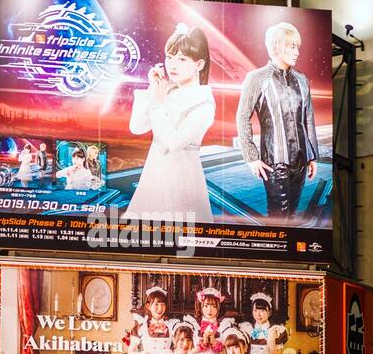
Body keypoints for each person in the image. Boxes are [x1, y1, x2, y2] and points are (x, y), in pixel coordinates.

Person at [124, 24, 216, 222]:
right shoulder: (168, 92)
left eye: (182, 59)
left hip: (181, 178)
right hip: (154, 174)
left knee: (183, 242)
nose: (172, 65)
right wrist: (152, 89)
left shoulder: (204, 103)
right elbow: (137, 127)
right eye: (169, 57)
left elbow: (173, 142)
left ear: (199, 64)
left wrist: (157, 103)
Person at [236, 20, 319, 218]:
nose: (297, 52)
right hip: (274, 161)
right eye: (292, 46)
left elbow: (308, 117)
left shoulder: (302, 80)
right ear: (276, 46)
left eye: (297, 47)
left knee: (290, 215)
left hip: (300, 159)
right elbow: (242, 116)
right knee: (279, 217)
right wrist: (251, 157)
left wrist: (313, 155)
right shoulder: (257, 78)